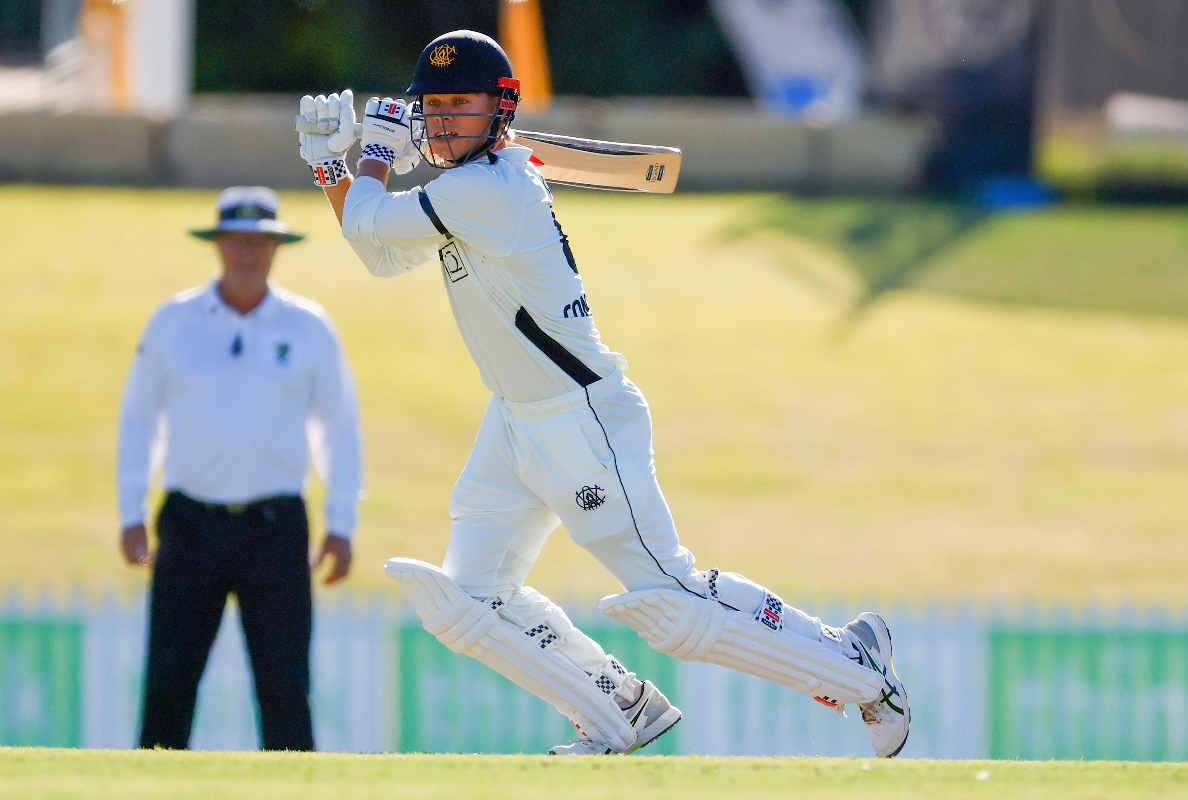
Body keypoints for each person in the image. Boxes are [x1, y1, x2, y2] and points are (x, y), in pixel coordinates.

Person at [297, 31, 909, 757]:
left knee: (670, 606)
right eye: (432, 107)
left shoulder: (488, 189)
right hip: (516, 419)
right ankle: (619, 706)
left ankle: (857, 667)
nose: (443, 120)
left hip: (580, 418)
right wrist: (339, 168)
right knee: (471, 601)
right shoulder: (464, 188)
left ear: (501, 109)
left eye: (461, 104)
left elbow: (371, 221)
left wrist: (365, 158)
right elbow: (381, 253)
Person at [116, 186, 364, 751]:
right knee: (169, 688)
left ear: (276, 248)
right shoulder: (173, 321)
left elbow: (339, 427)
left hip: (275, 528)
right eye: (237, 241)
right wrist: (130, 509)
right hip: (189, 522)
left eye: (260, 242)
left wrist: (342, 522)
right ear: (218, 245)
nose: (247, 253)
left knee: (284, 689)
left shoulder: (308, 326)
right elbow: (140, 420)